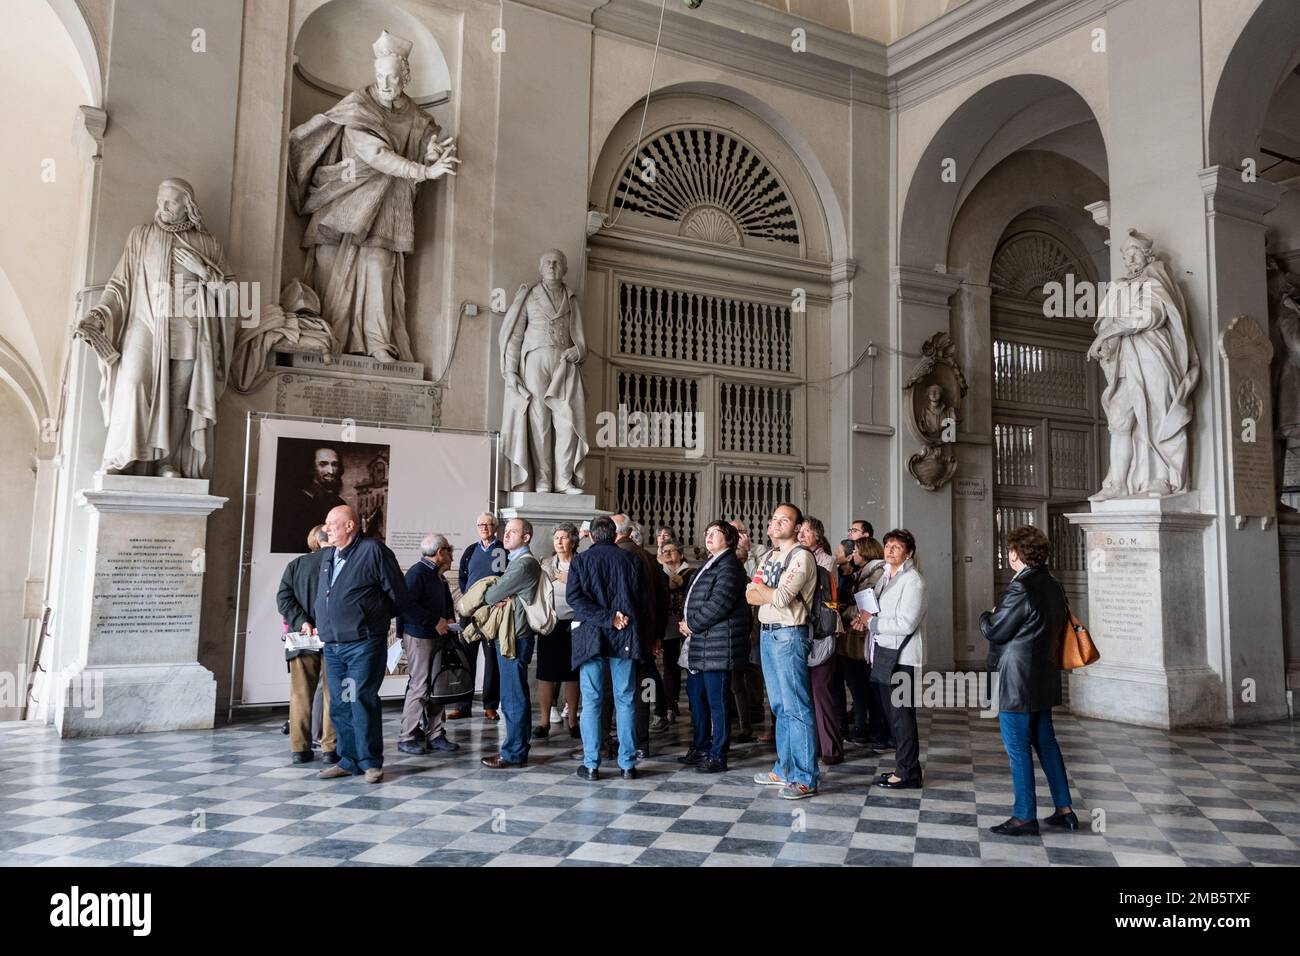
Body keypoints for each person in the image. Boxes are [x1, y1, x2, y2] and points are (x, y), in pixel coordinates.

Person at [287, 30, 459, 362]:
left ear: (405, 79)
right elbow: (376, 154)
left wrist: (432, 151)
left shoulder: (415, 116)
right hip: (343, 200)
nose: (384, 83)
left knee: (379, 266)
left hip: (388, 205)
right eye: (379, 75)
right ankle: (327, 338)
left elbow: (426, 138)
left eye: (392, 77)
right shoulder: (357, 109)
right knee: (329, 265)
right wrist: (423, 171)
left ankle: (380, 343)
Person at [73, 177, 233, 479]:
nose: (162, 207)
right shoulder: (141, 236)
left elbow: (234, 299)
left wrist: (205, 272)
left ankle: (165, 463)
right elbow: (120, 284)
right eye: (160, 200)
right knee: (133, 383)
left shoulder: (208, 244)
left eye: (170, 201)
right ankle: (124, 457)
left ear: (188, 205)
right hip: (146, 325)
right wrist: (98, 314)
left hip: (190, 330)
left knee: (177, 399)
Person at [980, 525, 1077, 836]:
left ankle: (1024, 816)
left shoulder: (1020, 588)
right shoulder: (1052, 585)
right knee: (1047, 744)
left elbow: (996, 630)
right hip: (1044, 677)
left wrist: (986, 615)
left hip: (1017, 682)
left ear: (1014, 554)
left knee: (1018, 748)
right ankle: (1065, 810)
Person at [315, 505, 407, 785]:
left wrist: (371, 618)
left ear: (350, 526)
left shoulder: (373, 551)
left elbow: (398, 595)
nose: (326, 528)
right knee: (341, 704)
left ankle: (370, 762)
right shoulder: (330, 555)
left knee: (360, 699)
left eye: (332, 523)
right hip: (333, 645)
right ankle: (348, 759)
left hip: (363, 644)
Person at [499, 248, 590, 493]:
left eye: (557, 263)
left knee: (567, 422)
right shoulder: (529, 295)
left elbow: (581, 338)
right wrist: (510, 370)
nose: (552, 266)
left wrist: (578, 351)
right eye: (548, 262)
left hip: (564, 363)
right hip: (535, 360)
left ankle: (563, 479)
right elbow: (515, 337)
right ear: (540, 269)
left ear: (565, 269)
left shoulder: (571, 298)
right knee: (539, 423)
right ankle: (542, 479)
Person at [747, 503, 819, 800]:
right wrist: (769, 595)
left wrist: (768, 594)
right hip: (767, 634)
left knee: (797, 707)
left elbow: (784, 596)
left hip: (790, 635)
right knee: (779, 707)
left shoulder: (801, 556)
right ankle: (784, 767)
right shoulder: (769, 556)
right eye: (774, 518)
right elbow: (750, 594)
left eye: (784, 519)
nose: (776, 523)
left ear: (798, 526)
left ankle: (806, 777)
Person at [565, 516, 642, 780]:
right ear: (615, 535)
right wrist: (616, 618)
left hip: (590, 636)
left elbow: (574, 598)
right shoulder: (631, 560)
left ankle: (591, 765)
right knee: (626, 699)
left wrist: (606, 618)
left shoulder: (581, 560)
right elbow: (639, 599)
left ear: (592, 536)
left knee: (593, 701)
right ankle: (628, 765)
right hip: (625, 634)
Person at [680, 520, 750, 772]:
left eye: (715, 533)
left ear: (729, 539)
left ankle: (718, 754)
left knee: (717, 701)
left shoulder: (730, 565)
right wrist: (686, 622)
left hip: (719, 645)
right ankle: (700, 747)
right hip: (701, 643)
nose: (708, 537)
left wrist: (692, 624)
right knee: (697, 697)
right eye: (706, 533)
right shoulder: (710, 563)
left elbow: (719, 602)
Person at [480, 518, 544, 769]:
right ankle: (516, 749)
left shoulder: (523, 565)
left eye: (512, 532)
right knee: (512, 694)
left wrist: (496, 593)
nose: (505, 536)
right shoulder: (517, 562)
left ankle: (514, 752)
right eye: (505, 531)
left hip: (514, 636)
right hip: (512, 634)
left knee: (513, 697)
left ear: (526, 537)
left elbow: (491, 594)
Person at [866, 529, 927, 790]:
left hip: (902, 656)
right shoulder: (886, 577)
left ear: (909, 552)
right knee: (893, 715)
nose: (890, 550)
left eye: (897, 547)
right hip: (885, 651)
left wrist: (873, 622)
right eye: (888, 545)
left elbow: (906, 622)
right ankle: (906, 767)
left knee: (902, 715)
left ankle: (907, 773)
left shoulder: (913, 580)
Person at [395, 534, 460, 755]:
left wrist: (449, 618)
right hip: (420, 636)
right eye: (449, 550)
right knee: (420, 686)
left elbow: (445, 602)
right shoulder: (417, 573)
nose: (452, 554)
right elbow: (405, 605)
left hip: (437, 636)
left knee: (437, 687)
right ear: (440, 552)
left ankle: (435, 734)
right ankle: (407, 736)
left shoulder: (437, 575)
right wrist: (434, 621)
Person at [276, 524, 336, 764]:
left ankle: (299, 749)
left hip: (301, 638)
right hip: (333, 637)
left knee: (300, 694)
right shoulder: (338, 565)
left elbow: (283, 598)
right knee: (332, 693)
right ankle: (330, 748)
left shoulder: (296, 565)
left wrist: (302, 622)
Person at [612, 513, 668, 757]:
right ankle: (641, 742)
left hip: (622, 634)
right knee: (643, 688)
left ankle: (625, 740)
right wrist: (657, 635)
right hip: (646, 635)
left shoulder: (617, 557)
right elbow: (662, 599)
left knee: (623, 690)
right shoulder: (648, 558)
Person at [833, 537, 887, 747]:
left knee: (863, 686)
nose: (852, 555)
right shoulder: (863, 574)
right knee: (858, 685)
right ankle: (864, 726)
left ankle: (869, 728)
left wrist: (845, 610)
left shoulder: (874, 574)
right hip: (855, 634)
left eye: (855, 551)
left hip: (863, 635)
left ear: (864, 552)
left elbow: (869, 606)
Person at [799, 516, 843, 766]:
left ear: (819, 535)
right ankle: (813, 745)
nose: (802, 535)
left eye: (807, 531)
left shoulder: (826, 561)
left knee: (822, 692)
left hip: (822, 631)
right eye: (800, 531)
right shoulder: (798, 556)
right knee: (806, 693)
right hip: (803, 631)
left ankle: (832, 748)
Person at [452, 513, 503, 721]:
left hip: (491, 612)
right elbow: (463, 577)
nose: (484, 528)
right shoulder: (471, 550)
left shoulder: (502, 549)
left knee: (491, 659)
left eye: (488, 524)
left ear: (495, 527)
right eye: (481, 524)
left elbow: (504, 577)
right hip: (470, 613)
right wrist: (471, 598)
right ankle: (462, 705)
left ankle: (490, 705)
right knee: (466, 658)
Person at [536, 523, 582, 740]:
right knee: (546, 674)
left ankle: (573, 720)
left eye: (564, 538)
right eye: (557, 538)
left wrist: (571, 580)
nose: (560, 542)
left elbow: (591, 590)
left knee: (572, 674)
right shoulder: (545, 564)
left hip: (575, 623)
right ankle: (544, 721)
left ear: (573, 541)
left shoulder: (581, 564)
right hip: (550, 623)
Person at [729, 519, 766, 744]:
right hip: (740, 619)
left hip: (755, 618)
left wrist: (750, 552)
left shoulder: (760, 550)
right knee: (735, 675)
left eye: (740, 531)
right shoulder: (728, 553)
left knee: (753, 667)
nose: (738, 535)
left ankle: (754, 710)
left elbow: (757, 582)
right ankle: (739, 714)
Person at [652, 538, 693, 731]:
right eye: (664, 551)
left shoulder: (690, 571)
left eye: (672, 551)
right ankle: (670, 704)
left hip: (687, 623)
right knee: (670, 665)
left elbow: (682, 586)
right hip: (668, 623)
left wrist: (679, 581)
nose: (668, 554)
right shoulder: (658, 571)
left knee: (689, 663)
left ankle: (691, 703)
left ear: (681, 553)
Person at [274, 445, 347, 553]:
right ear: (312, 468)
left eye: (335, 464)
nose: (331, 471)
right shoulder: (295, 501)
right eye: (323, 464)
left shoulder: (339, 503)